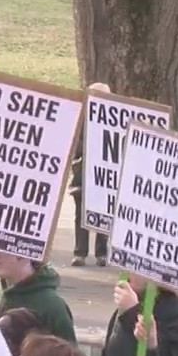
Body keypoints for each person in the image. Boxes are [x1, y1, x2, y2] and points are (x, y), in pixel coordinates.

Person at [69, 83, 111, 268]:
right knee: (81, 214)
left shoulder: (114, 120)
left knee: (103, 214)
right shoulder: (81, 119)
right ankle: (80, 253)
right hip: (83, 174)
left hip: (105, 177)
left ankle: (102, 253)